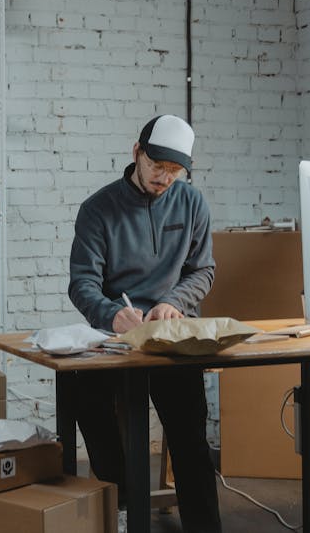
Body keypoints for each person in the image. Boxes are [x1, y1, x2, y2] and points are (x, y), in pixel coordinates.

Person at [67, 114, 221, 533]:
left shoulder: (192, 203)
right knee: (86, 399)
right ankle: (122, 507)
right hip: (116, 336)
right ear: (137, 153)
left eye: (174, 171)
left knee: (191, 438)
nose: (164, 178)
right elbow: (81, 283)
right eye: (157, 166)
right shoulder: (98, 209)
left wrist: (174, 301)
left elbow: (202, 271)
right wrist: (111, 314)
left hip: (169, 336)